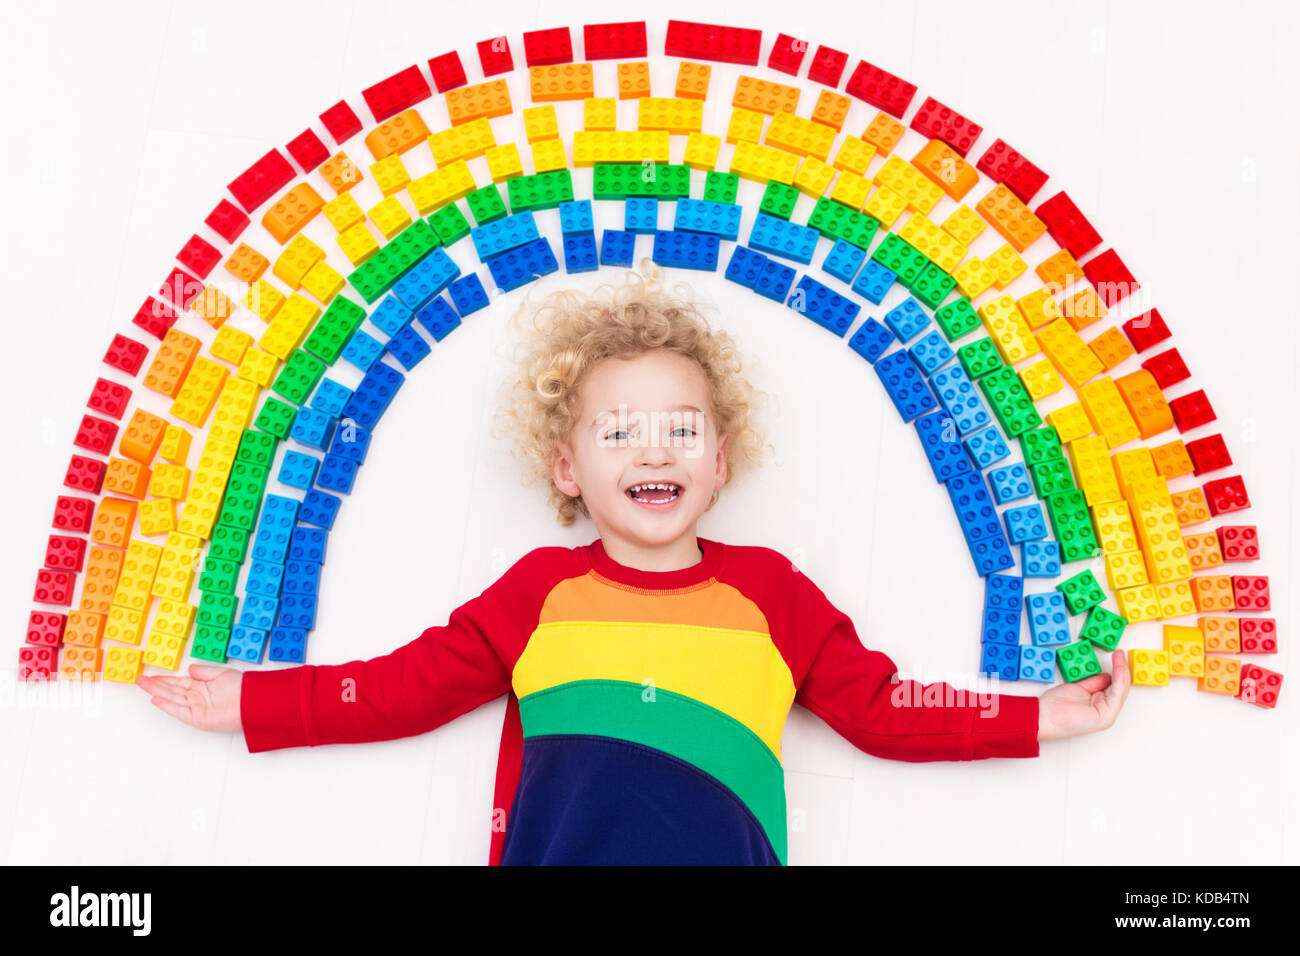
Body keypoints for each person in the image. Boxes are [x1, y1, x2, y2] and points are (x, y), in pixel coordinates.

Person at [137, 262, 1130, 864]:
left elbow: (884, 708)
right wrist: (253, 703)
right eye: (618, 431)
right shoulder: (538, 593)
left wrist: (1051, 711)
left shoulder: (772, 593)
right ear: (566, 465)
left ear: (719, 459)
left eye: (680, 429)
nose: (652, 450)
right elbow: (404, 686)